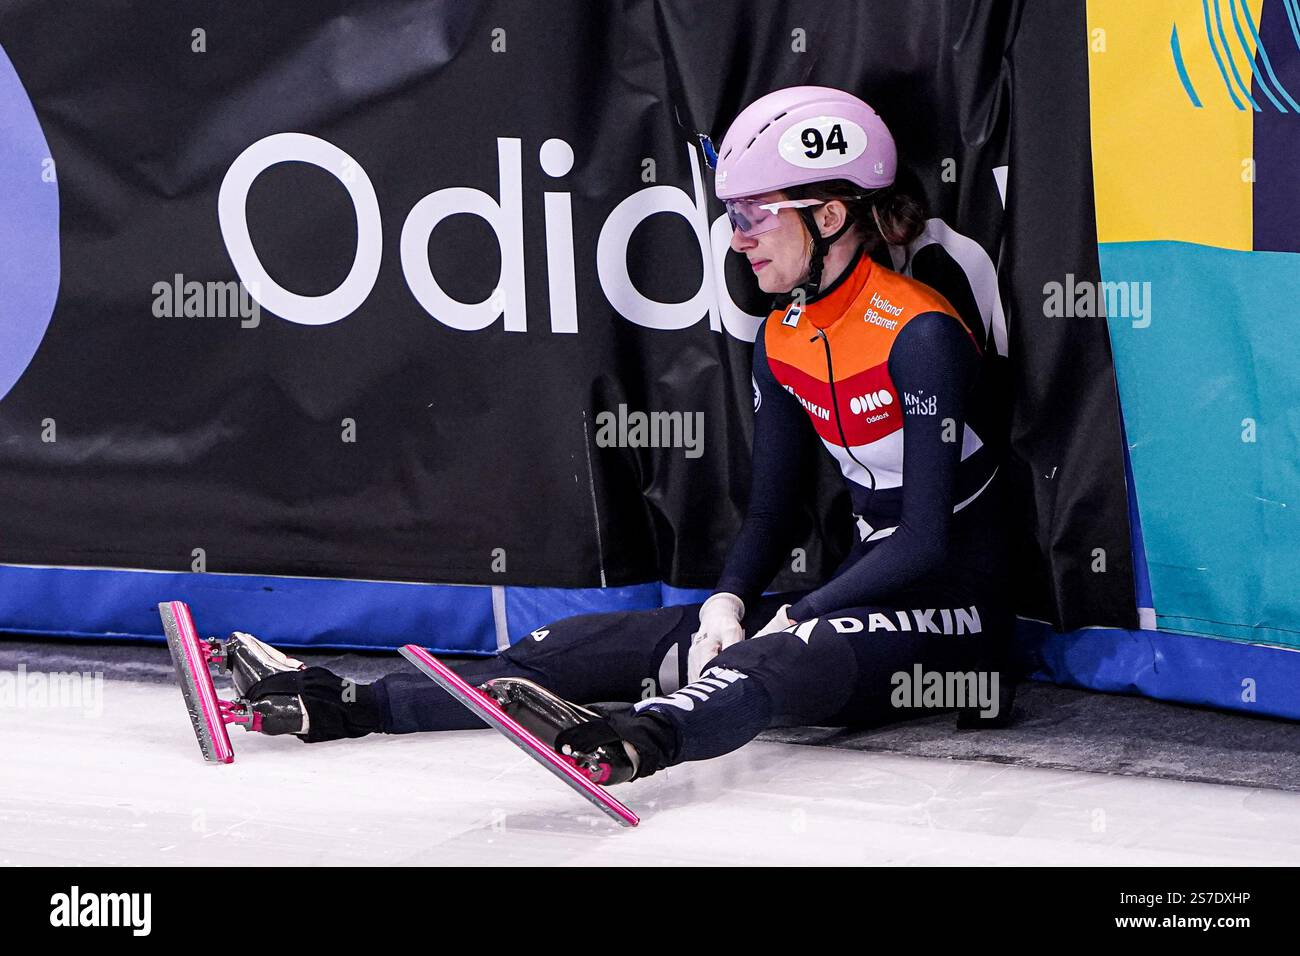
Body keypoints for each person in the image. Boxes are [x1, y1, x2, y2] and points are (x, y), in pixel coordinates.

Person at [224, 85, 1015, 785]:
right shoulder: (783, 335)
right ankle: (346, 703)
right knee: (581, 644)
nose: (736, 236)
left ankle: (640, 745)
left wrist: (791, 617)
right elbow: (774, 513)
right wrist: (729, 603)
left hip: (956, 618)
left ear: (831, 214)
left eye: (751, 215)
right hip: (853, 601)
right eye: (730, 215)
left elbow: (924, 543)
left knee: (766, 659)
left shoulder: (919, 334)